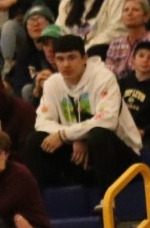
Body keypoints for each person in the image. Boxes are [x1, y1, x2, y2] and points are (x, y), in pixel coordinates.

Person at [28, 35, 140, 188]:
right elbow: (42, 122)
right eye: (60, 59)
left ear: (84, 58)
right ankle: (46, 203)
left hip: (120, 157)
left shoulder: (104, 77)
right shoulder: (52, 83)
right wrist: (73, 138)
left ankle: (108, 202)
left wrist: (65, 135)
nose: (66, 64)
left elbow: (107, 121)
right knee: (35, 140)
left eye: (72, 58)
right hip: (80, 156)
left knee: (98, 135)